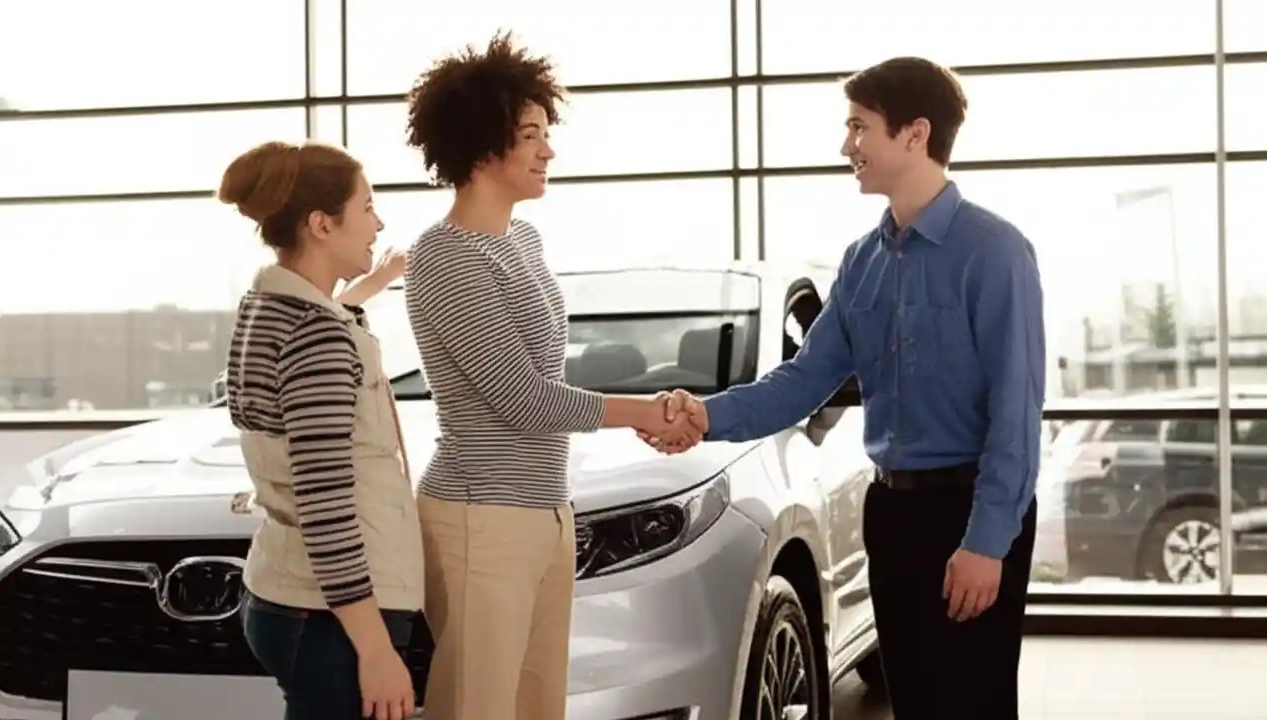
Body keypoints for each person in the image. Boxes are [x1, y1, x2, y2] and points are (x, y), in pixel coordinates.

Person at [648, 56, 1045, 719]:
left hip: (969, 513)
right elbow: (804, 381)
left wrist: (985, 541)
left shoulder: (995, 252)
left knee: (973, 704)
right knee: (915, 702)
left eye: (860, 127)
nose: (846, 146)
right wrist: (702, 416)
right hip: (891, 515)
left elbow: (1015, 410)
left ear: (915, 135)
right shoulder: (864, 260)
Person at [399, 31, 699, 720]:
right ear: (482, 146)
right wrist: (647, 412)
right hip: (481, 519)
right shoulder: (445, 259)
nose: (548, 149)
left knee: (539, 708)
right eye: (530, 133)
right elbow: (523, 399)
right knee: (476, 709)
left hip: (544, 513)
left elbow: (544, 383)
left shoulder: (522, 241)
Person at [218, 139, 424, 720]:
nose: (378, 223)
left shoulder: (270, 307)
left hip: (289, 595)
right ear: (321, 225)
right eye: (366, 208)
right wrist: (377, 650)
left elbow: (329, 320)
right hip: (331, 617)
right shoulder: (318, 337)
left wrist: (379, 280)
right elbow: (325, 503)